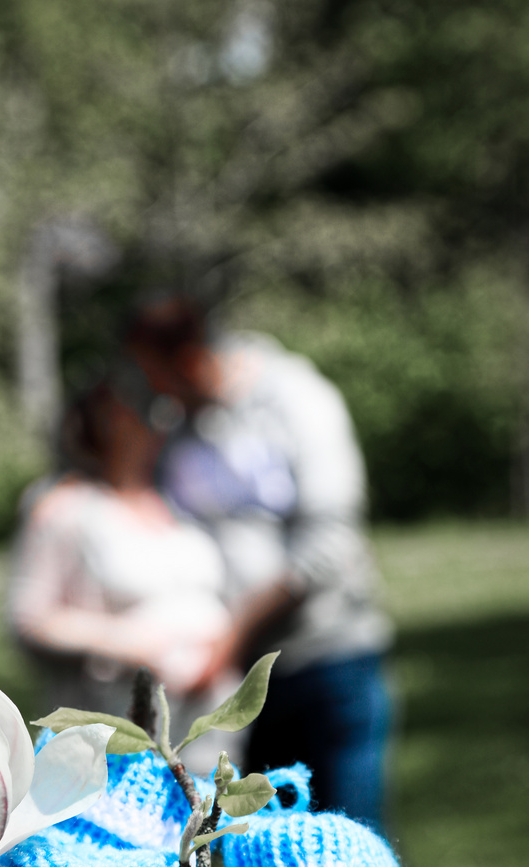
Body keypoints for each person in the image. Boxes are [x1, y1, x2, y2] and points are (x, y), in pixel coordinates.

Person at [6, 377, 240, 867]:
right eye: (141, 411)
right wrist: (131, 643)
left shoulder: (175, 500)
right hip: (113, 755)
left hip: (196, 750)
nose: (158, 423)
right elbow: (28, 618)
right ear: (106, 422)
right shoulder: (64, 506)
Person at [125, 294, 395, 831]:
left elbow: (330, 541)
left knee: (350, 848)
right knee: (266, 855)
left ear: (190, 359)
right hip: (245, 681)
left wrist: (235, 632)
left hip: (328, 660)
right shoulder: (175, 425)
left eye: (154, 373)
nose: (152, 390)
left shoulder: (297, 399)